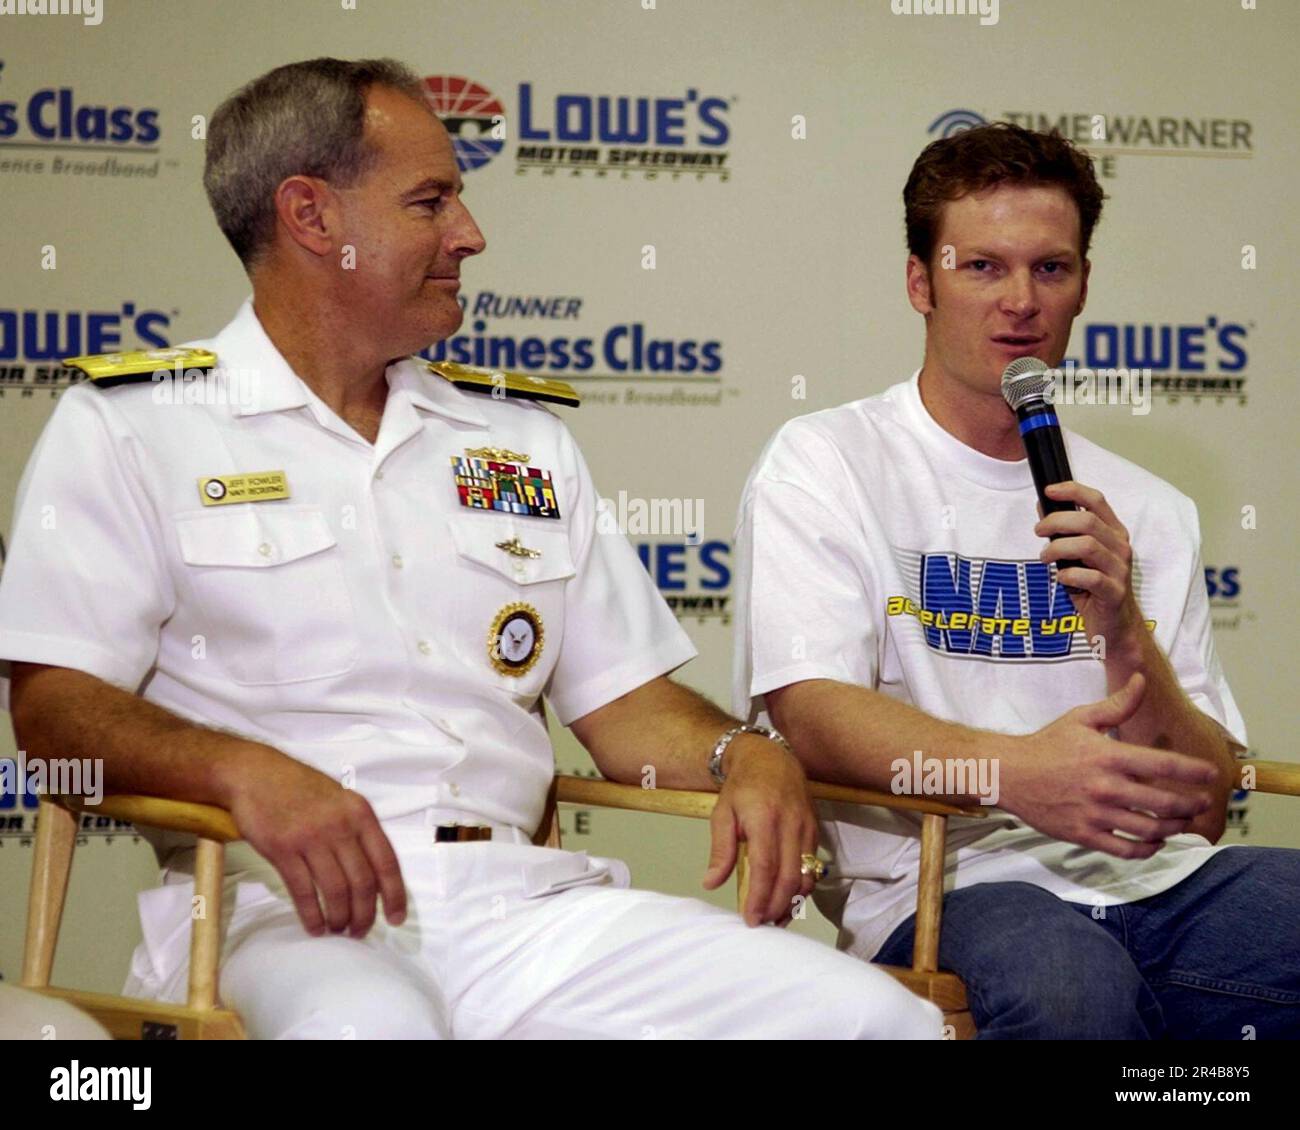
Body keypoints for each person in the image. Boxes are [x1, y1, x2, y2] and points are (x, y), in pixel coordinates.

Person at [0, 57, 939, 1040]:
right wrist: (244, 771)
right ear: (312, 218)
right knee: (372, 1029)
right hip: (279, 911)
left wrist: (741, 750)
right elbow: (56, 709)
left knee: (875, 1020)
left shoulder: (517, 440)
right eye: (430, 200)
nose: (470, 233)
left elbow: (628, 709)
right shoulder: (132, 426)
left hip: (522, 910)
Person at [733, 122, 1300, 1039]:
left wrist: (1122, 629)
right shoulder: (828, 462)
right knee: (1072, 991)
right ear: (921, 282)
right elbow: (811, 714)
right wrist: (1019, 775)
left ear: (1083, 286)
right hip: (946, 883)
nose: (1020, 304)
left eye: (1051, 269)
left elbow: (1202, 797)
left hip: (1152, 882)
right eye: (982, 267)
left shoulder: (1149, 508)